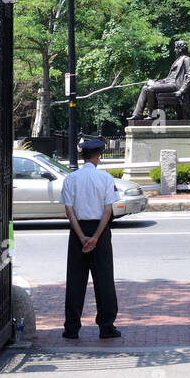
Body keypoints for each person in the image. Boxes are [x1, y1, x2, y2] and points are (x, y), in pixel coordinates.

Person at [61, 135, 121, 341]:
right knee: (104, 279)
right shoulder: (105, 178)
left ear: (82, 156)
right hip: (100, 230)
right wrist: (95, 237)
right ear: (98, 156)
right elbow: (107, 211)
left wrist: (82, 237)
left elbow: (69, 212)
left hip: (78, 230)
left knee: (75, 280)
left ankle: (71, 327)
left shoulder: (71, 179)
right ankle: (106, 326)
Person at [127, 38, 190, 122]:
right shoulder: (178, 60)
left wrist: (181, 91)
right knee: (145, 88)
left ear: (180, 49)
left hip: (175, 85)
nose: (174, 50)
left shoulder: (187, 59)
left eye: (176, 48)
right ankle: (137, 114)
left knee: (151, 88)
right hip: (169, 83)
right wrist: (157, 82)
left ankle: (153, 115)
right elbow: (169, 77)